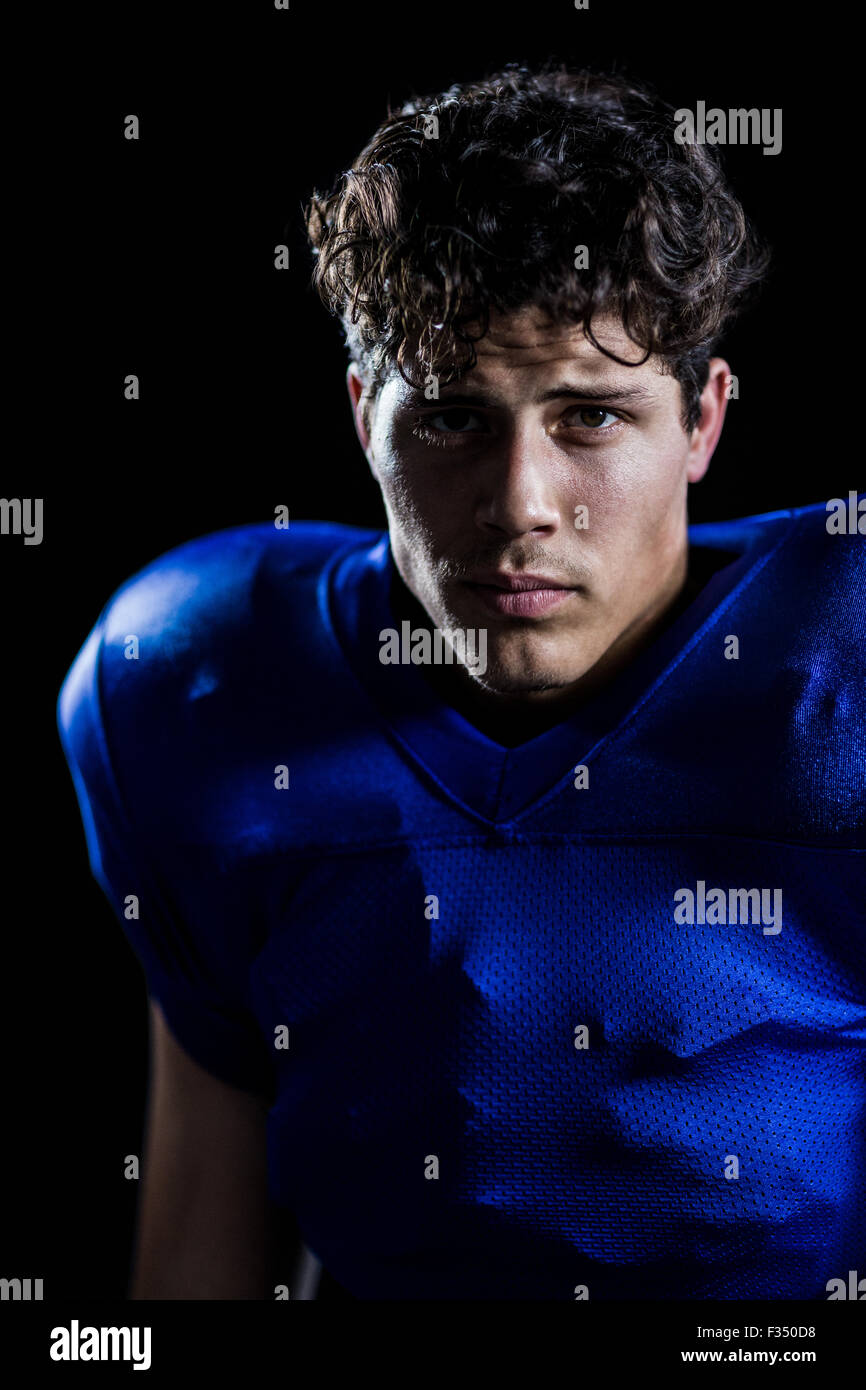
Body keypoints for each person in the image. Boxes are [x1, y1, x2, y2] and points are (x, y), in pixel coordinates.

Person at [57, 63, 865, 1300]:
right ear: (358, 413)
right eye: (448, 416)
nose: (518, 506)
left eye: (590, 417)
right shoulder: (195, 678)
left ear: (701, 420)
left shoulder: (838, 674)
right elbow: (191, 1277)